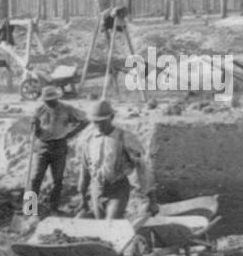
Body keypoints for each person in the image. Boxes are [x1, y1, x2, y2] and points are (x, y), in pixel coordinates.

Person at [75, 100, 155, 219]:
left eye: (102, 122)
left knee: (110, 225)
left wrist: (151, 199)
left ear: (111, 117)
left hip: (117, 190)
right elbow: (85, 169)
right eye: (95, 122)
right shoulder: (89, 139)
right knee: (101, 228)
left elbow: (142, 169)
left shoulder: (125, 138)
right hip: (97, 189)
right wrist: (82, 197)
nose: (98, 126)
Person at [30, 85, 89, 215]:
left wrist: (71, 134)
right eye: (46, 100)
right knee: (35, 178)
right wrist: (34, 125)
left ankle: (53, 208)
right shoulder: (39, 110)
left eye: (51, 100)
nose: (49, 102)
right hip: (42, 146)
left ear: (56, 98)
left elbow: (85, 121)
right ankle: (29, 208)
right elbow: (35, 132)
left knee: (57, 180)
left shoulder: (67, 109)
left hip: (59, 146)